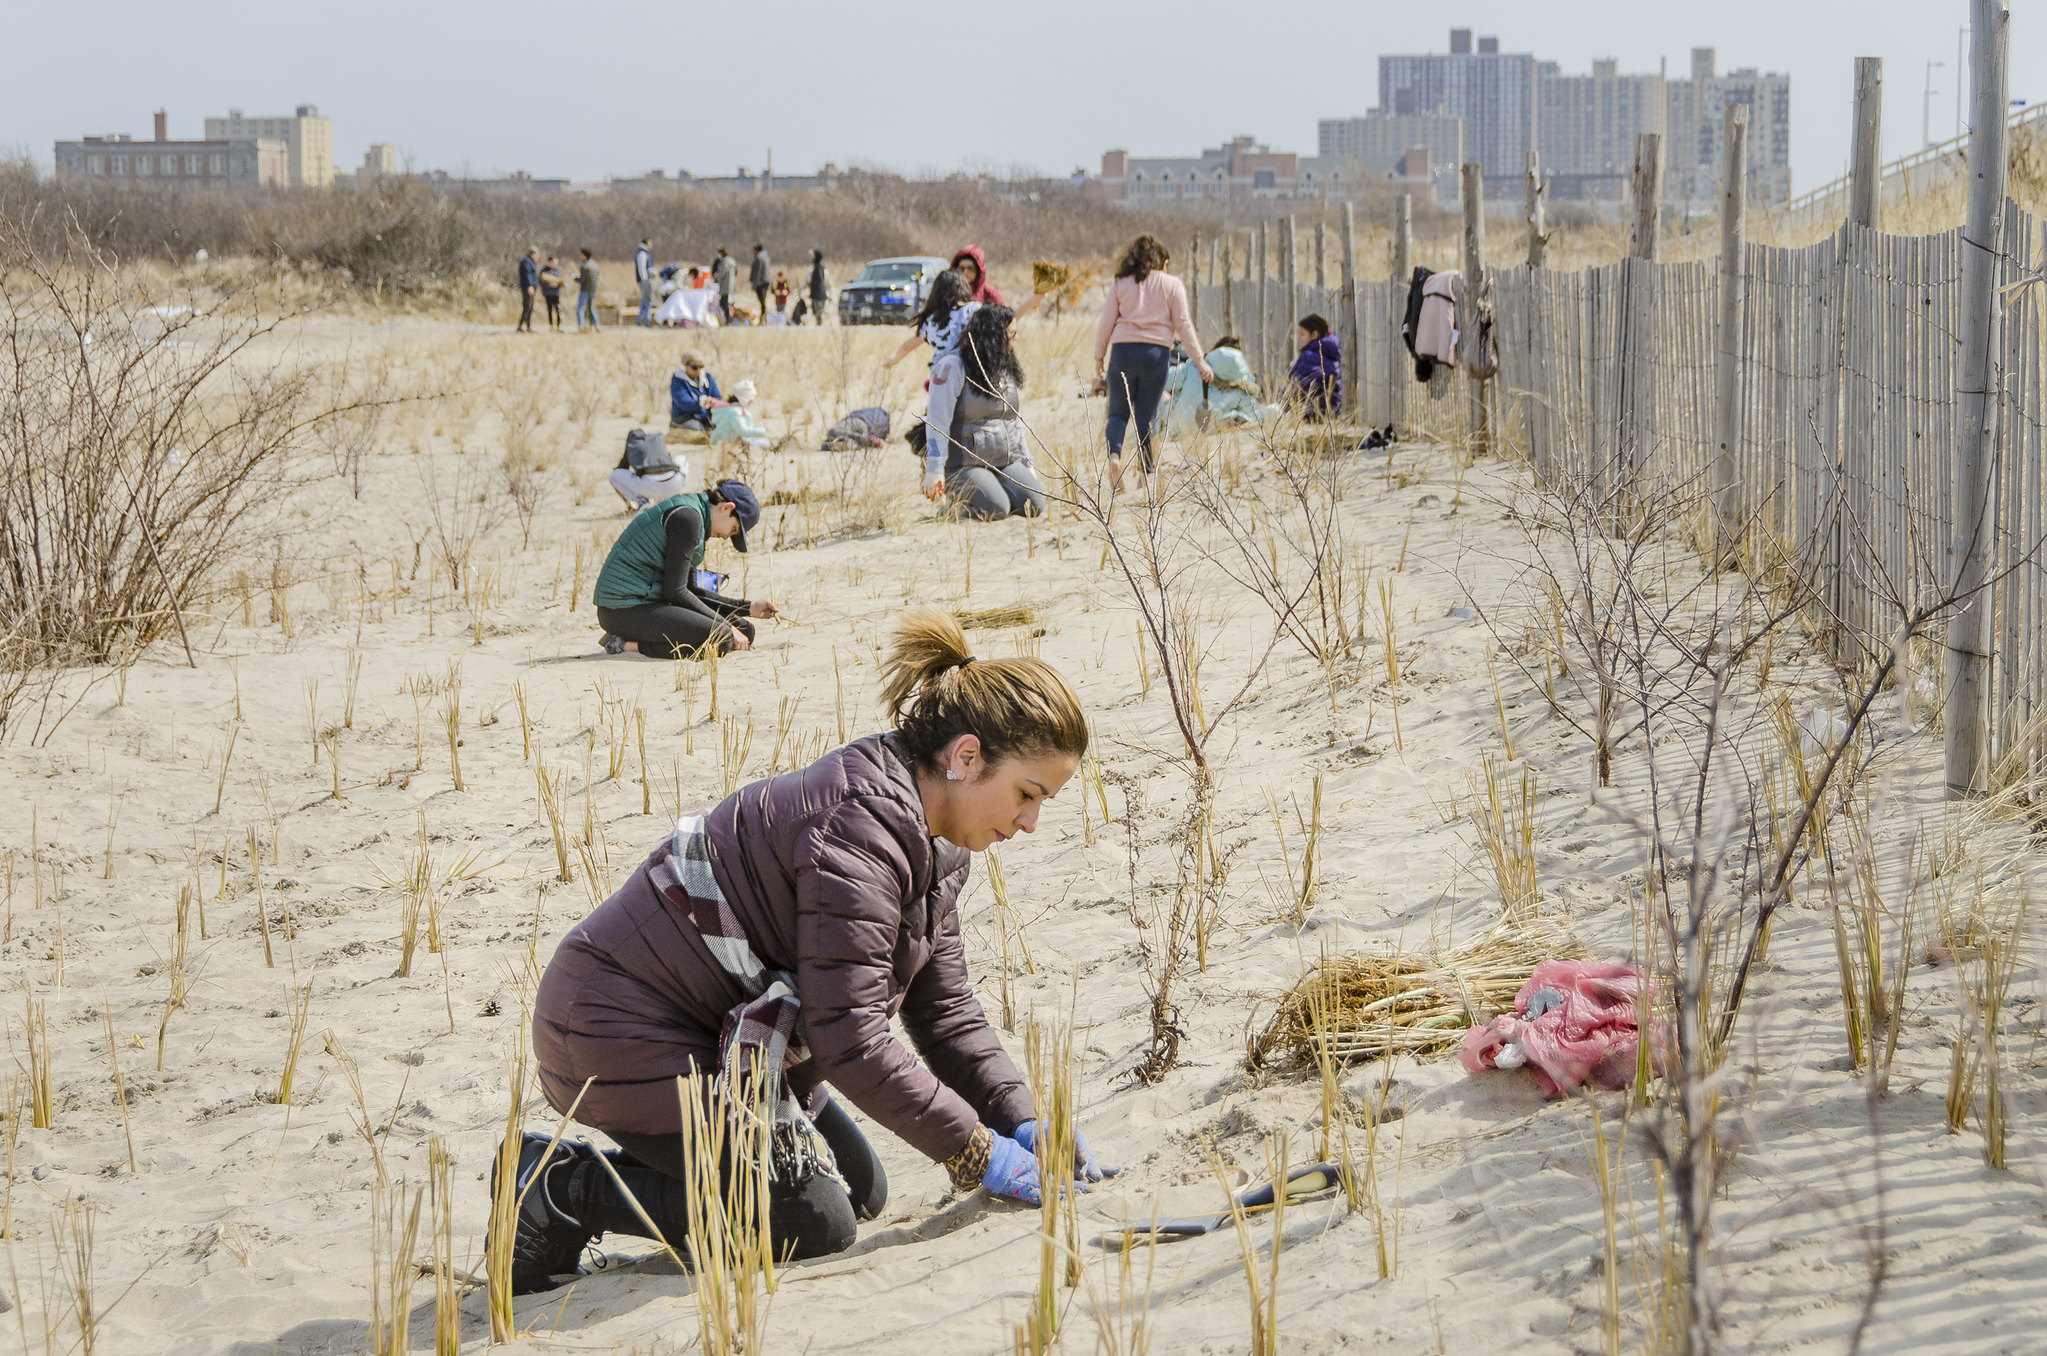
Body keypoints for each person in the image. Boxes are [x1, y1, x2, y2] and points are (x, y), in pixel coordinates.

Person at [504, 608, 1108, 1293]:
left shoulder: (938, 843)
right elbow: (846, 1035)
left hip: (714, 1038)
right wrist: (975, 1152)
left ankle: (666, 1172)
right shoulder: (857, 827)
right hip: (615, 1033)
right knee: (810, 1221)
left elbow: (944, 1013)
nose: (1030, 823)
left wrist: (1022, 1122)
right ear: (965, 757)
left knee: (861, 1192)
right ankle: (559, 1185)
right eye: (1027, 794)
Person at [590, 480, 773, 659]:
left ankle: (635, 640)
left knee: (745, 631)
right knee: (722, 639)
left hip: (647, 602)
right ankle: (626, 645)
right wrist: (727, 627)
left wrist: (748, 608)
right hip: (621, 610)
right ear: (726, 507)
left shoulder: (695, 514)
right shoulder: (688, 519)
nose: (726, 537)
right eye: (733, 530)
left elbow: (690, 591)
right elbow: (675, 593)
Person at [1094, 234, 1211, 491]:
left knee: (1116, 413)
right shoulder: (1171, 284)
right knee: (1147, 416)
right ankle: (1145, 473)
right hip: (1156, 355)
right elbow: (1184, 324)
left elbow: (1105, 324)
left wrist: (1099, 357)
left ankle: (1115, 457)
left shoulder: (1120, 284)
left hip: (1122, 353)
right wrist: (1200, 361)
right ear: (1163, 262)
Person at [921, 305, 1045, 521]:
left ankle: (995, 490)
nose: (1016, 339)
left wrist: (1027, 462)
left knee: (1034, 504)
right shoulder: (952, 366)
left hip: (1003, 461)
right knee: (997, 508)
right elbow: (937, 420)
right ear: (993, 335)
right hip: (962, 465)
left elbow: (1013, 421)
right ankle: (952, 509)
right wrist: (934, 468)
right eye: (1011, 334)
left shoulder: (1005, 368)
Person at [883, 269, 978, 371]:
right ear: (964, 288)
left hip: (940, 377)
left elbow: (907, 346)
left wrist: (893, 360)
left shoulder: (932, 320)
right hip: (968, 373)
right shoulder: (973, 310)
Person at [609, 429, 688, 511]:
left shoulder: (632, 444)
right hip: (674, 484)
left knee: (614, 475)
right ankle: (669, 498)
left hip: (649, 486)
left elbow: (622, 467)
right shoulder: (657, 439)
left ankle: (641, 500)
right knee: (682, 458)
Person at [1287, 314, 1342, 418]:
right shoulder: (1328, 353)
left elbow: (1300, 385)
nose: (1300, 338)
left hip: (1313, 413)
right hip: (1330, 412)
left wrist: (1281, 396)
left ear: (1314, 334)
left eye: (1302, 334)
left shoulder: (1311, 355)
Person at [670, 351, 722, 432]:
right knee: (696, 429)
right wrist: (700, 403)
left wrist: (712, 402)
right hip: (684, 418)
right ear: (685, 366)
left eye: (701, 366)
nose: (698, 370)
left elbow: (717, 397)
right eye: (694, 367)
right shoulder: (678, 381)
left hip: (705, 417)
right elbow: (684, 403)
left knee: (723, 425)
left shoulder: (708, 378)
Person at [803, 249, 830, 325]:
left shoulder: (817, 268)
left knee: (818, 312)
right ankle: (819, 323)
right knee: (817, 311)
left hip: (817, 294)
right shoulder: (821, 267)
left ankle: (820, 324)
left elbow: (813, 281)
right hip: (820, 293)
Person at [539, 256, 566, 331]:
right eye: (554, 263)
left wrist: (561, 284)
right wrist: (549, 285)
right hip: (548, 293)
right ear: (549, 262)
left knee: (558, 309)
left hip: (556, 293)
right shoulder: (544, 271)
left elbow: (560, 280)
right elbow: (541, 282)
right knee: (550, 310)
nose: (555, 264)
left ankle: (558, 325)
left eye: (556, 263)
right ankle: (551, 326)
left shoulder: (557, 271)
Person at [576, 249, 601, 332]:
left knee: (580, 308)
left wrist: (575, 278)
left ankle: (581, 326)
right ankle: (597, 325)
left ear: (585, 255)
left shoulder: (584, 266)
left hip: (585, 290)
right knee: (591, 308)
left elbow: (582, 280)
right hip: (593, 290)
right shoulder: (595, 265)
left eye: (581, 255)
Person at [517, 247, 540, 333]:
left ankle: (528, 326)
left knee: (530, 307)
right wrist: (530, 286)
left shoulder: (531, 262)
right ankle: (520, 326)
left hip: (531, 287)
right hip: (527, 287)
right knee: (527, 307)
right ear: (533, 254)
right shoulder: (527, 262)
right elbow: (527, 275)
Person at [712, 247, 738, 324]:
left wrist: (715, 276)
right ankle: (729, 318)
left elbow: (721, 273)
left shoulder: (724, 262)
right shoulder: (732, 261)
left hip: (724, 284)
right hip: (731, 284)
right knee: (727, 302)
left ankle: (728, 319)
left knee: (724, 303)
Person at [750, 244, 771, 325]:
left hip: (760, 282)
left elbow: (757, 272)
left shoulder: (759, 258)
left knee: (762, 301)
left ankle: (763, 318)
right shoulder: (766, 257)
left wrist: (754, 284)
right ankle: (764, 318)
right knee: (763, 301)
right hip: (766, 281)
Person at [636, 239, 655, 326]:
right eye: (650, 244)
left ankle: (644, 320)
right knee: (646, 301)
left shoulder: (644, 253)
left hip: (646, 280)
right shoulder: (642, 254)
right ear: (646, 244)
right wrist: (645, 280)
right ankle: (644, 320)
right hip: (645, 281)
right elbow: (642, 268)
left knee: (646, 301)